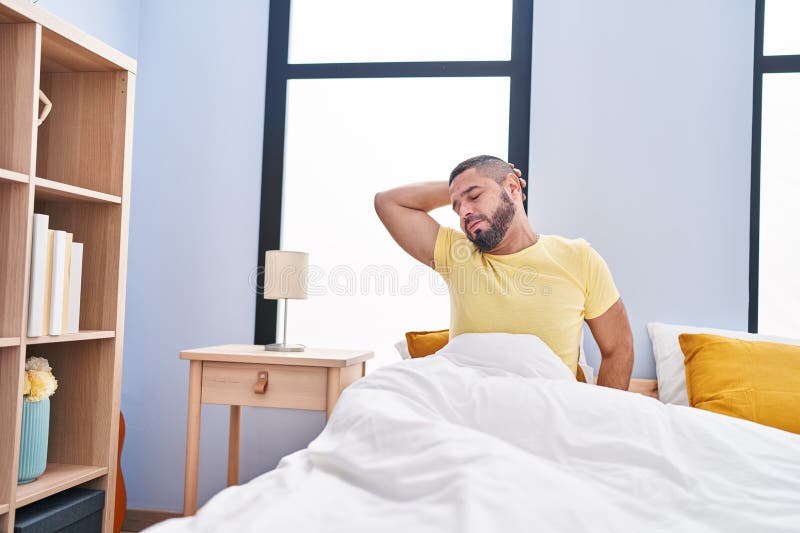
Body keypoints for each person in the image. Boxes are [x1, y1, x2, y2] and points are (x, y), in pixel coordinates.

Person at [374, 155, 633, 389]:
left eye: (474, 196)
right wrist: (460, 186)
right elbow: (388, 203)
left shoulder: (578, 257)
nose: (463, 211)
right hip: (468, 413)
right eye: (457, 206)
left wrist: (599, 420)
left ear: (512, 187)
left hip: (548, 416)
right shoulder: (457, 255)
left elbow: (617, 348)